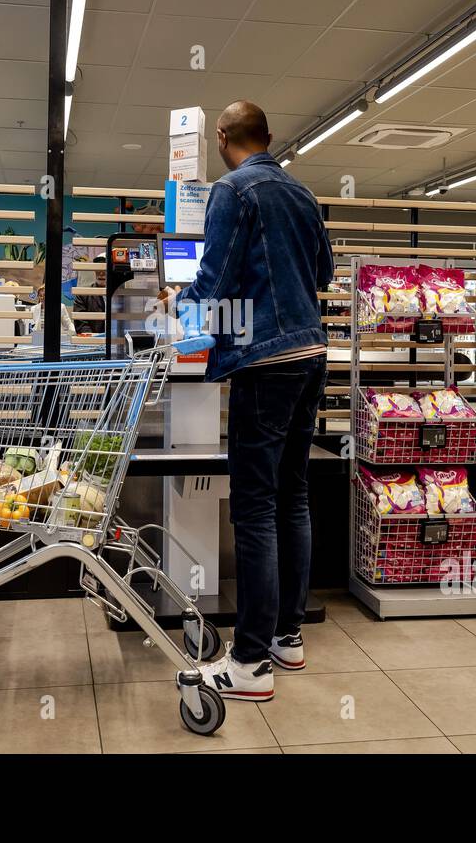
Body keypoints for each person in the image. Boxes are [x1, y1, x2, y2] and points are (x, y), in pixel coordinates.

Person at [159, 100, 332, 702]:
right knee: (293, 498)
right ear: (270, 136)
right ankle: (287, 636)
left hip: (264, 362)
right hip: (311, 356)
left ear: (223, 137)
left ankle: (250, 662)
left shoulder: (232, 191)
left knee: (255, 508)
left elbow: (217, 277)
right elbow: (323, 274)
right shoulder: (304, 195)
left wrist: (174, 310)